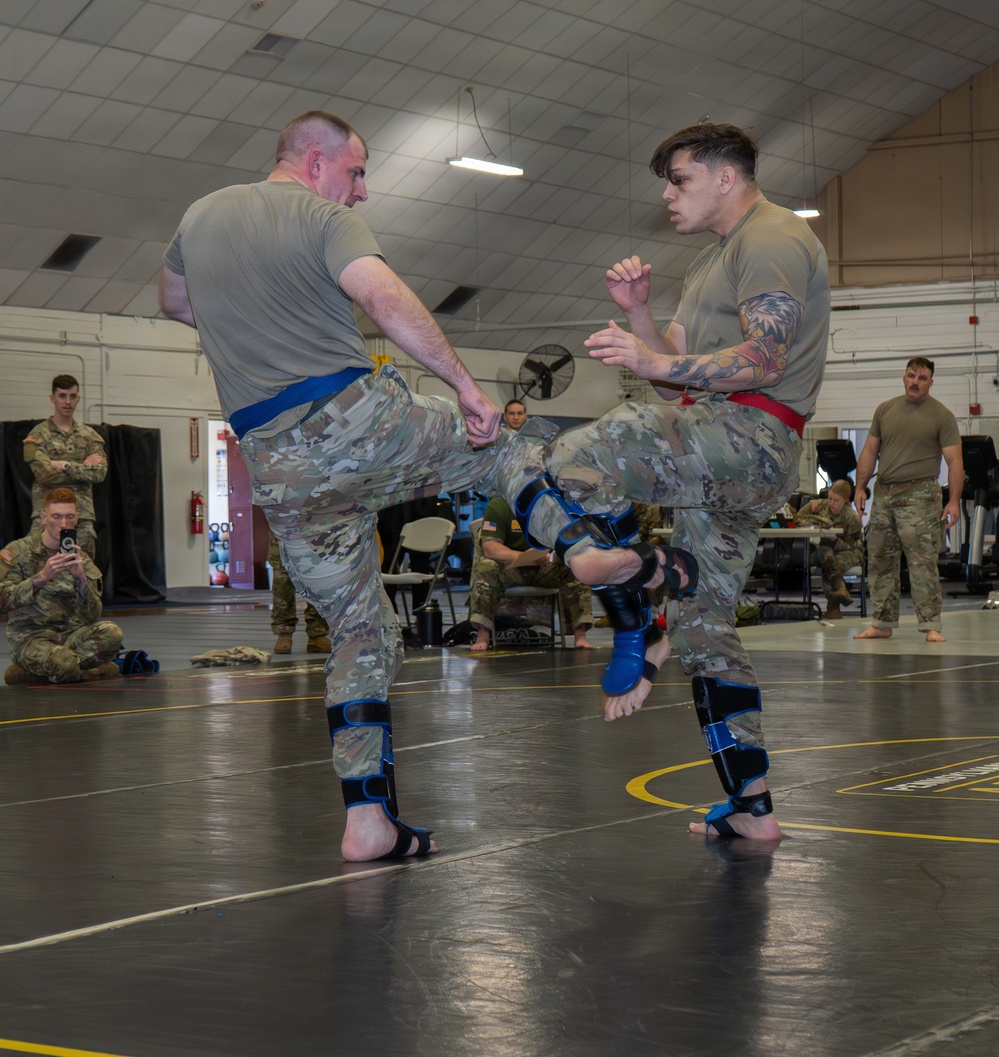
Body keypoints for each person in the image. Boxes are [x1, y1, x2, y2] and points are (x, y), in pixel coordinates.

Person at [157, 110, 674, 863]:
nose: (361, 192)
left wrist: (252, 316)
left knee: (362, 633)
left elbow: (175, 304)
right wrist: (464, 385)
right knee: (497, 449)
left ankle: (368, 818)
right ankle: (588, 557)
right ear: (314, 163)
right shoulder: (315, 214)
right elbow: (385, 299)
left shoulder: (198, 217)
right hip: (352, 418)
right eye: (357, 172)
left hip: (277, 464)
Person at [516, 122, 831, 843]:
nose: (667, 195)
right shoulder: (712, 262)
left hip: (748, 435)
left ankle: (638, 601)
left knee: (565, 462)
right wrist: (638, 318)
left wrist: (651, 368)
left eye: (679, 178)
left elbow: (763, 360)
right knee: (707, 629)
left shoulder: (771, 237)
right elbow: (679, 363)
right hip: (725, 455)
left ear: (727, 176)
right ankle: (753, 807)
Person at [852, 358, 963, 643]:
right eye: (911, 375)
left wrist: (953, 502)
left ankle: (931, 626)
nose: (915, 382)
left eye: (922, 378)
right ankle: (882, 622)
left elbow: (955, 462)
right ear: (904, 377)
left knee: (922, 561)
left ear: (930, 382)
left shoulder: (942, 416)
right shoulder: (885, 410)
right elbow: (869, 451)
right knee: (879, 559)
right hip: (884, 493)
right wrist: (860, 487)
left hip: (921, 495)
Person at [0, 488, 122, 684]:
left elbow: (92, 616)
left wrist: (82, 580)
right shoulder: (18, 552)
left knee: (112, 633)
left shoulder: (81, 558)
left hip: (71, 635)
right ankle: (91, 671)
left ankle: (42, 673)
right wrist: (41, 577)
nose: (63, 524)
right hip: (32, 638)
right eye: (56, 516)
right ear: (44, 517)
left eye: (69, 517)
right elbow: (3, 600)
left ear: (77, 518)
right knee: (65, 662)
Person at [468, 496, 593, 651]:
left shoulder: (550, 505)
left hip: (544, 568)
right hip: (510, 569)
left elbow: (566, 541)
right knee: (487, 567)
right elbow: (490, 547)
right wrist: (519, 557)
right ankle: (483, 632)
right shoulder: (499, 505)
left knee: (575, 567)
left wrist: (552, 558)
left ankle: (580, 635)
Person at [23, 375, 107, 559]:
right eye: (62, 396)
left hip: (81, 517)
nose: (68, 401)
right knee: (40, 571)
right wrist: (83, 469)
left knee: (82, 574)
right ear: (52, 398)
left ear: (78, 398)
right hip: (47, 517)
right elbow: (43, 474)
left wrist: (64, 465)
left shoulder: (90, 436)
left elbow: (100, 473)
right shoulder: (37, 436)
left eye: (72, 396)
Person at [794, 480, 863, 619]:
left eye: (836, 500)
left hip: (849, 553)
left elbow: (854, 547)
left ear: (845, 500)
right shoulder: (820, 506)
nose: (831, 503)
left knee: (829, 561)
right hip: (824, 551)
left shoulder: (852, 518)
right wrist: (814, 518)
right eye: (829, 498)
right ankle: (840, 593)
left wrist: (835, 540)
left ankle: (834, 608)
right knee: (825, 553)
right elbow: (797, 519)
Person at [267, 532, 330, 655]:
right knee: (282, 586)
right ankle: (284, 633)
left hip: (313, 533)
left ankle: (317, 634)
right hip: (284, 533)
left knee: (317, 584)